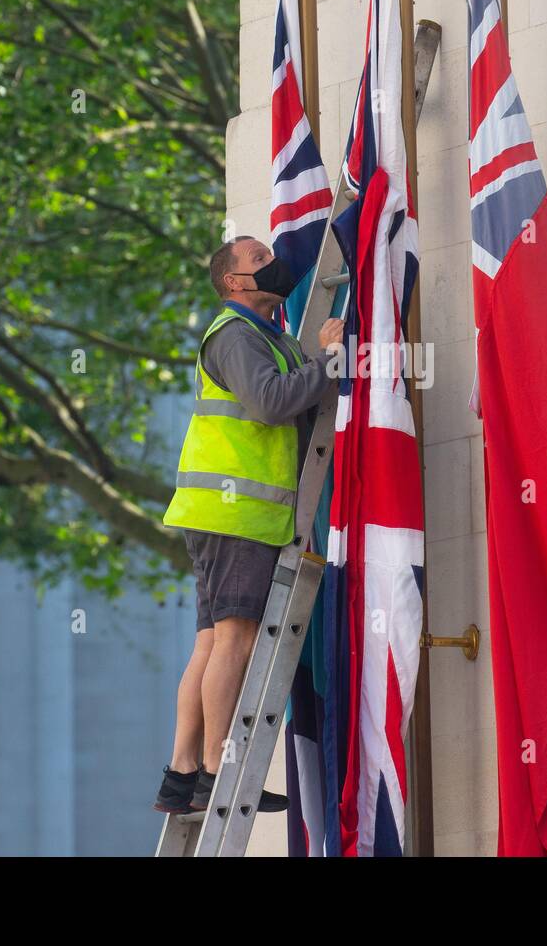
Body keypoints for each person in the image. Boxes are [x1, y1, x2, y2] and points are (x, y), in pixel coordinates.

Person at [153, 235, 344, 815]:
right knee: (232, 640)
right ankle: (217, 772)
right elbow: (268, 402)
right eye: (258, 260)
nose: (272, 263)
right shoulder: (236, 335)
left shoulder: (266, 336)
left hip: (225, 514)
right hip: (236, 516)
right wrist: (329, 362)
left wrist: (310, 363)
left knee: (211, 642)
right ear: (234, 283)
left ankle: (181, 777)